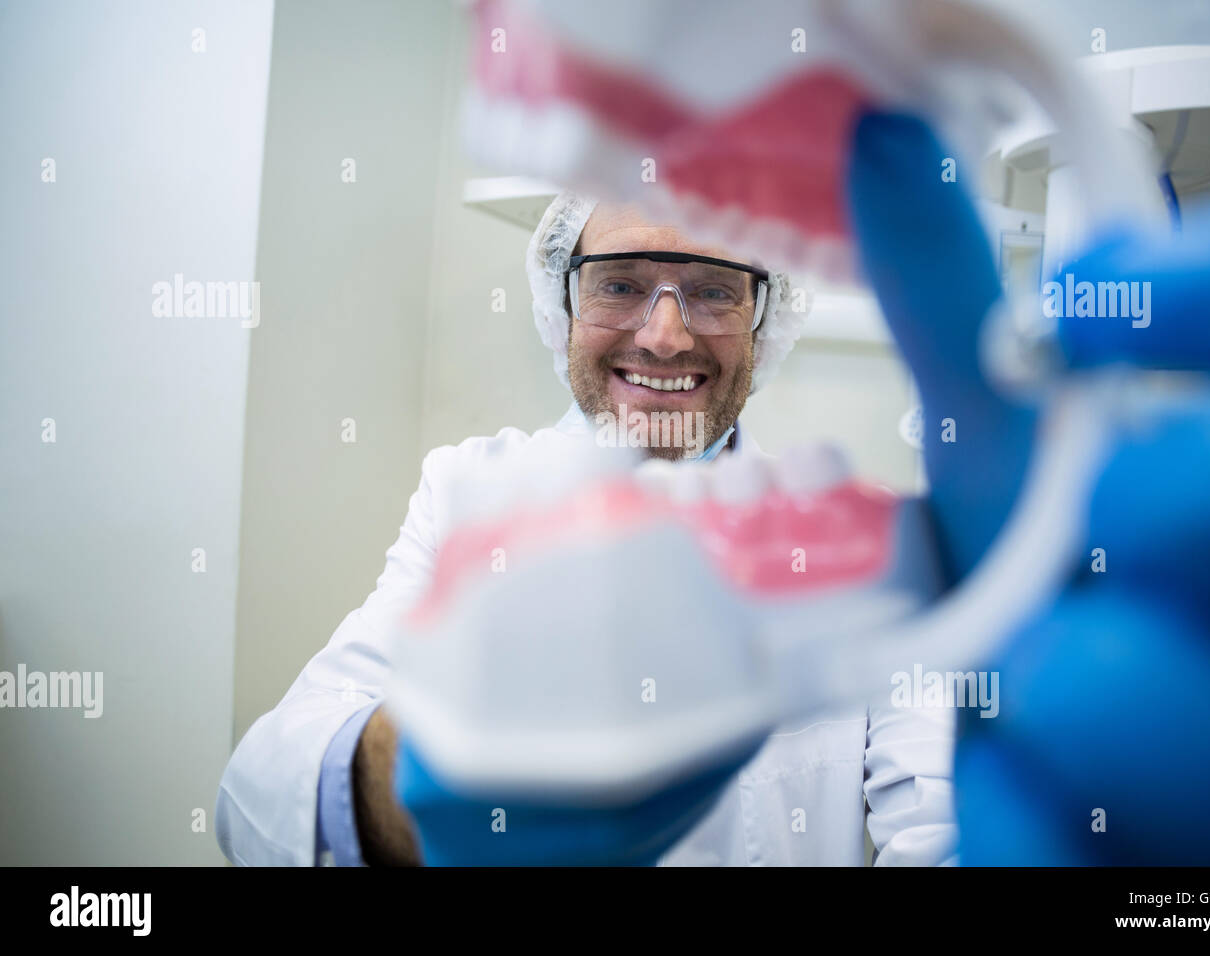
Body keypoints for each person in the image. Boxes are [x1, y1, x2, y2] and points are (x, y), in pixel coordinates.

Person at [215, 192, 960, 867]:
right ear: (561, 303)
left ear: (764, 320)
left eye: (712, 290)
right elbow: (258, 800)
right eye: (621, 284)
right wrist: (424, 760)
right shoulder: (467, 495)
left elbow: (941, 824)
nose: (665, 336)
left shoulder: (853, 547)